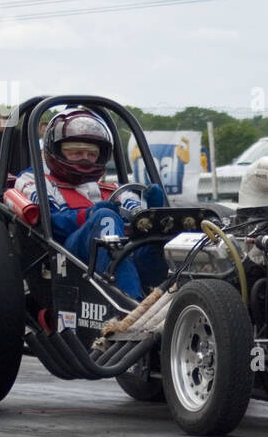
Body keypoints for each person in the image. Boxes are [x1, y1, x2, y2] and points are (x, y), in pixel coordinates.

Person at [13, 108, 164, 300]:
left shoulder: (109, 188)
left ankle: (181, 299)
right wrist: (89, 215)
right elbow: (47, 223)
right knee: (105, 217)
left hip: (117, 255)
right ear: (56, 150)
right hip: (65, 257)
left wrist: (153, 216)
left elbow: (135, 212)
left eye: (91, 153)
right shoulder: (34, 180)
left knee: (165, 229)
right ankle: (129, 306)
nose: (85, 158)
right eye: (75, 152)